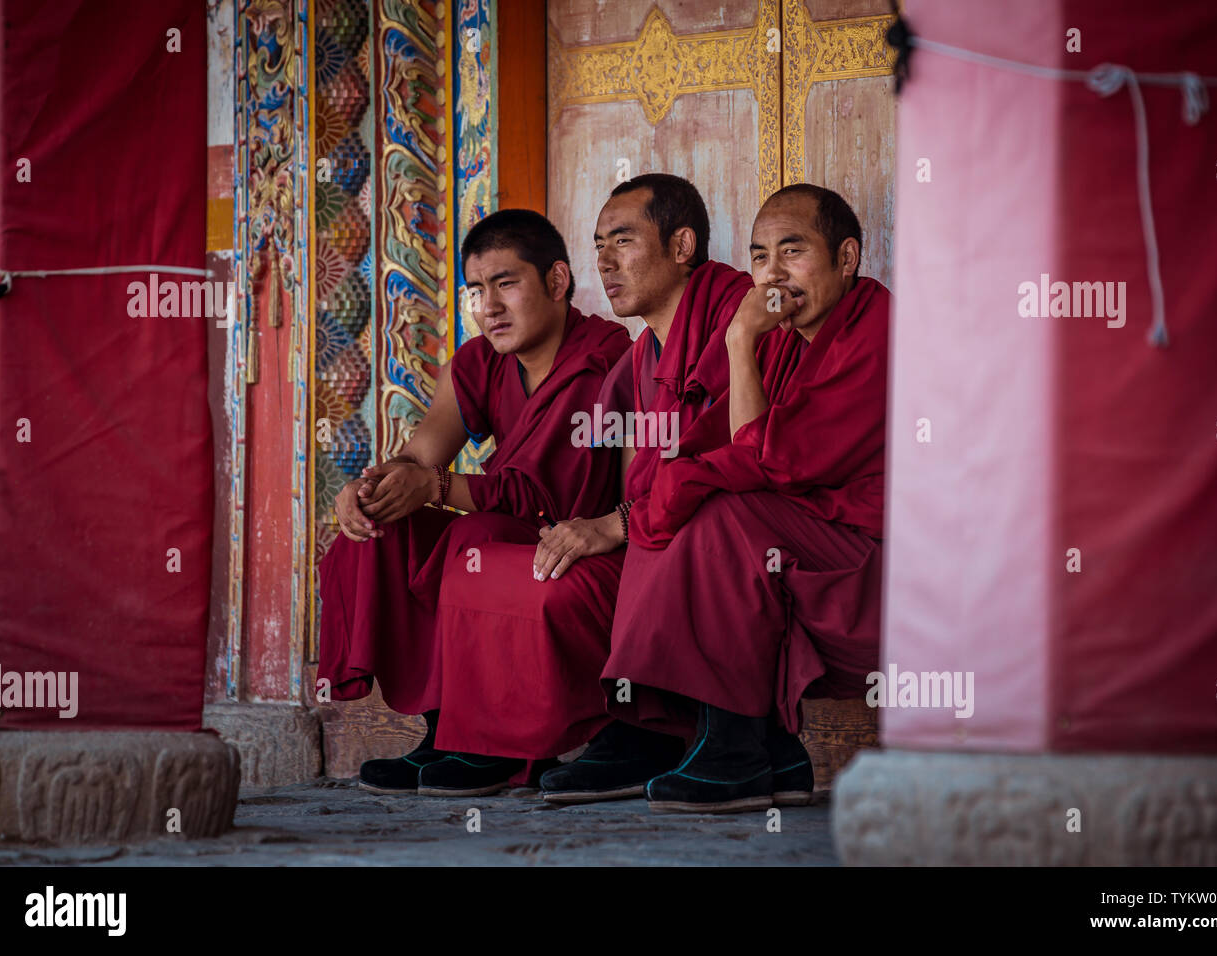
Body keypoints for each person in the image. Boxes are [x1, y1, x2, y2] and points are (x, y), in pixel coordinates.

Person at [431, 175, 752, 800]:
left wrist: (620, 525)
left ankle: (661, 731)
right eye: (598, 244)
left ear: (682, 244)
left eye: (623, 241)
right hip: (655, 529)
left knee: (621, 557)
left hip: (722, 532)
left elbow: (733, 455)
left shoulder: (731, 317)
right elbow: (640, 482)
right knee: (486, 557)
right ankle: (490, 738)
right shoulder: (640, 357)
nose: (602, 262)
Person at [578, 183, 890, 813]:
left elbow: (767, 460)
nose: (772, 273)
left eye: (793, 251)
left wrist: (738, 342)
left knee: (723, 515)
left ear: (848, 257)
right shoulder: (787, 341)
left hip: (884, 569)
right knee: (668, 501)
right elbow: (710, 441)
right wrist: (658, 496)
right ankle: (736, 744)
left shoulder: (878, 333)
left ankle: (738, 749)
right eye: (759, 256)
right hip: (813, 541)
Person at [316, 208, 630, 797]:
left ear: (558, 282)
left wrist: (434, 488)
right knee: (385, 532)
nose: (489, 307)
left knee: (472, 537)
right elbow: (421, 454)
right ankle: (445, 730)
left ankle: (495, 743)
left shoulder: (602, 359)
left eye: (507, 284)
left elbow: (550, 502)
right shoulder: (481, 361)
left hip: (587, 545)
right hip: (519, 536)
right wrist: (368, 491)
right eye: (476, 290)